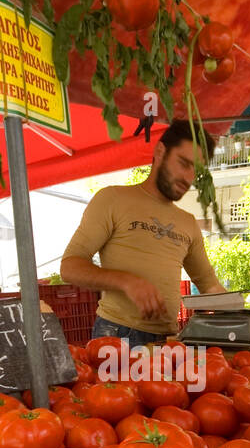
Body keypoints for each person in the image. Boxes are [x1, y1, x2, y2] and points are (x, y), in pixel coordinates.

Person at [60, 118, 227, 347]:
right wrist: (127, 281)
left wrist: (248, 314)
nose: (188, 178)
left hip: (169, 339)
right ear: (160, 152)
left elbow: (210, 286)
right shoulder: (112, 199)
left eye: (196, 171)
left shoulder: (188, 222)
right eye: (183, 163)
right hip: (117, 333)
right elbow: (70, 266)